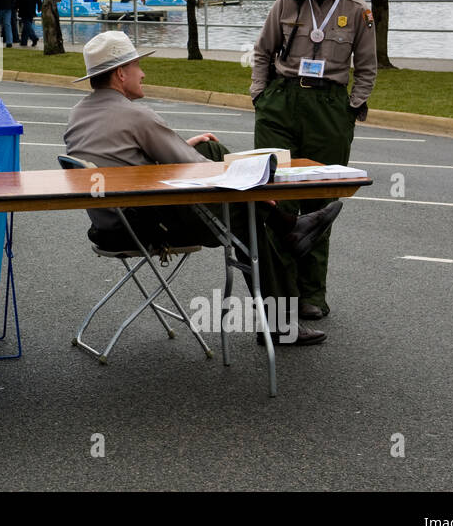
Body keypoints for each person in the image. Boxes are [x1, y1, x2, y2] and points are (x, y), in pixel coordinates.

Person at [64, 31, 341, 344]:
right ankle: (281, 314)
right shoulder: (135, 116)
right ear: (120, 73)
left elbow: (126, 164)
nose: (143, 73)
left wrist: (185, 147)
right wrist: (256, 189)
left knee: (210, 149)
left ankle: (288, 228)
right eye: (137, 65)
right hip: (147, 227)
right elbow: (196, 167)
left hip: (111, 223)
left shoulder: (78, 115)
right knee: (247, 213)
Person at [250, 0, 377, 324]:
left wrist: (350, 109)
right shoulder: (286, 3)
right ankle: (282, 299)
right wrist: (259, 96)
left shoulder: (358, 11)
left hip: (328, 110)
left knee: (320, 203)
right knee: (275, 201)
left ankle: (311, 296)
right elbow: (262, 54)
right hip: (281, 104)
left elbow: (368, 69)